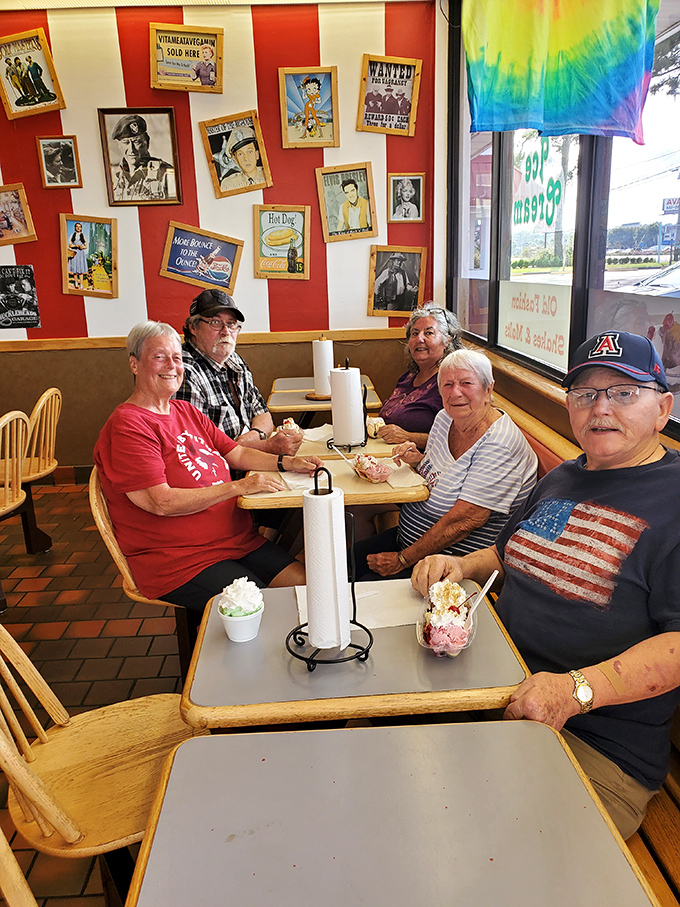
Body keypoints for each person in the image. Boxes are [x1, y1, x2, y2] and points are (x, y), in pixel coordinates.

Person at [411, 331, 680, 840]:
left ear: (662, 407)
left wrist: (576, 690)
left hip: (594, 744)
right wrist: (459, 565)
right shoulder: (563, 479)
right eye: (585, 394)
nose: (601, 408)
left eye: (623, 392)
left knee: (467, 842)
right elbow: (510, 551)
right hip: (489, 690)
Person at [94, 321, 323, 613]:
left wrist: (287, 463)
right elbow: (160, 502)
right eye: (159, 357)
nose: (171, 366)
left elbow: (236, 452)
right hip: (180, 561)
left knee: (312, 588)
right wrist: (239, 486)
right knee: (265, 610)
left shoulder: (184, 410)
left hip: (236, 542)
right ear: (134, 364)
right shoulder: (128, 426)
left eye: (176, 358)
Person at [353, 348, 537, 580]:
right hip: (411, 541)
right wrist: (418, 461)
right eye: (447, 384)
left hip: (449, 565)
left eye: (466, 383)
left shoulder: (499, 445)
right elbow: (444, 476)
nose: (455, 393)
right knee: (338, 566)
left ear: (488, 389)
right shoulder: (444, 418)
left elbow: (463, 522)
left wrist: (402, 560)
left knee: (352, 594)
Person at [175, 288, 303, 456]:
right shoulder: (184, 372)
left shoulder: (234, 360)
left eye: (231, 324)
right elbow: (196, 450)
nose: (226, 331)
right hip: (220, 476)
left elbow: (263, 414)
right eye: (215, 322)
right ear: (193, 327)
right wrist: (267, 447)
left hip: (249, 460)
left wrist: (253, 436)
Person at [378, 303, 462, 449]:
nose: (419, 339)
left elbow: (457, 439)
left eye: (429, 333)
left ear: (447, 340)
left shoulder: (450, 384)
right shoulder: (408, 376)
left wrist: (408, 437)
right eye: (415, 333)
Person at [110, 114, 175, 202]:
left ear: (147, 142)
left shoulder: (165, 173)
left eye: (137, 142)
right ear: (119, 145)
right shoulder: (112, 175)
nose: (131, 150)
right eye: (125, 143)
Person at [219, 126, 266, 191]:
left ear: (257, 154)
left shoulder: (267, 175)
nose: (246, 158)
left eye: (250, 152)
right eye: (240, 154)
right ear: (235, 159)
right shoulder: (229, 184)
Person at [67, 223, 88, 290]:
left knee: (81, 271)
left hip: (81, 254)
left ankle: (81, 285)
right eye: (77, 227)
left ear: (81, 228)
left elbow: (86, 246)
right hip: (75, 253)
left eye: (80, 227)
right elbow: (69, 245)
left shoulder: (83, 236)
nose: (78, 228)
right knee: (75, 270)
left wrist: (82, 247)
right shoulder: (72, 235)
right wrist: (75, 246)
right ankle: (76, 283)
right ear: (75, 227)